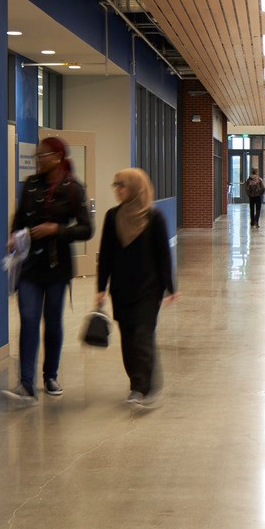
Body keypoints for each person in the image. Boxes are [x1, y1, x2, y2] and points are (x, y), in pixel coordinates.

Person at [4, 136, 93, 406]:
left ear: (57, 157)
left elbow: (87, 228)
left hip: (58, 268)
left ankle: (50, 375)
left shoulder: (73, 188)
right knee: (29, 319)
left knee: (52, 322)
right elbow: (19, 219)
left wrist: (57, 229)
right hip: (30, 266)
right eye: (36, 156)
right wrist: (14, 237)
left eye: (42, 156)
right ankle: (26, 384)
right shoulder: (30, 185)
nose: (37, 160)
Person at [96, 168, 178, 410]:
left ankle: (141, 387)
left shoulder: (154, 218)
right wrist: (100, 287)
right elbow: (106, 255)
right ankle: (138, 382)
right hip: (121, 289)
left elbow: (164, 255)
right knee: (128, 339)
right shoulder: (112, 217)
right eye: (116, 185)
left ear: (135, 187)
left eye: (122, 185)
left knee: (142, 336)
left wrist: (171, 288)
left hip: (148, 290)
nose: (118, 190)